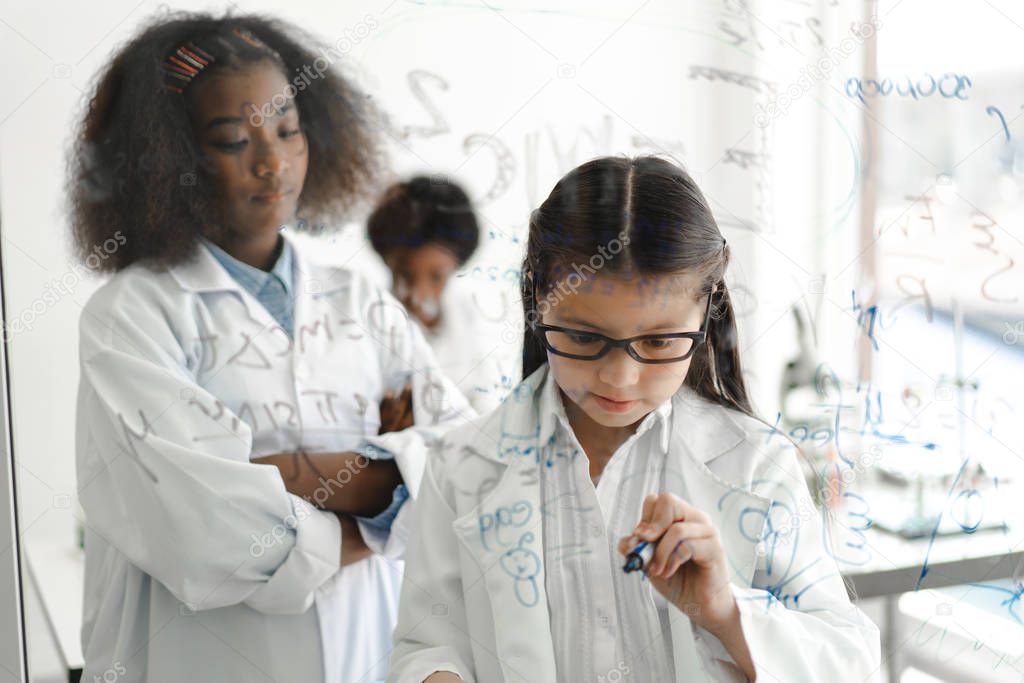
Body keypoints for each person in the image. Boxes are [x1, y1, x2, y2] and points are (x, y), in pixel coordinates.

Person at [69, 12, 471, 682]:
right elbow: (202, 529)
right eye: (233, 139)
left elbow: (461, 467)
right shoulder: (130, 317)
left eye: (287, 130)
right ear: (170, 160)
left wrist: (281, 469)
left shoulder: (362, 302)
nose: (272, 162)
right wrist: (381, 489)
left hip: (365, 652)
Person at [388, 156, 881, 682]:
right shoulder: (461, 465)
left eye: (659, 341)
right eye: (583, 337)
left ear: (706, 309)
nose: (619, 378)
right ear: (537, 298)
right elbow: (427, 643)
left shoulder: (757, 463)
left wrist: (725, 611)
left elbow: (848, 662)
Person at [367, 176, 519, 413]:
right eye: (405, 276)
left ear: (457, 265)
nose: (420, 294)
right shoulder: (368, 326)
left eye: (436, 277)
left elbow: (483, 400)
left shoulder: (468, 316)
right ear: (387, 261)